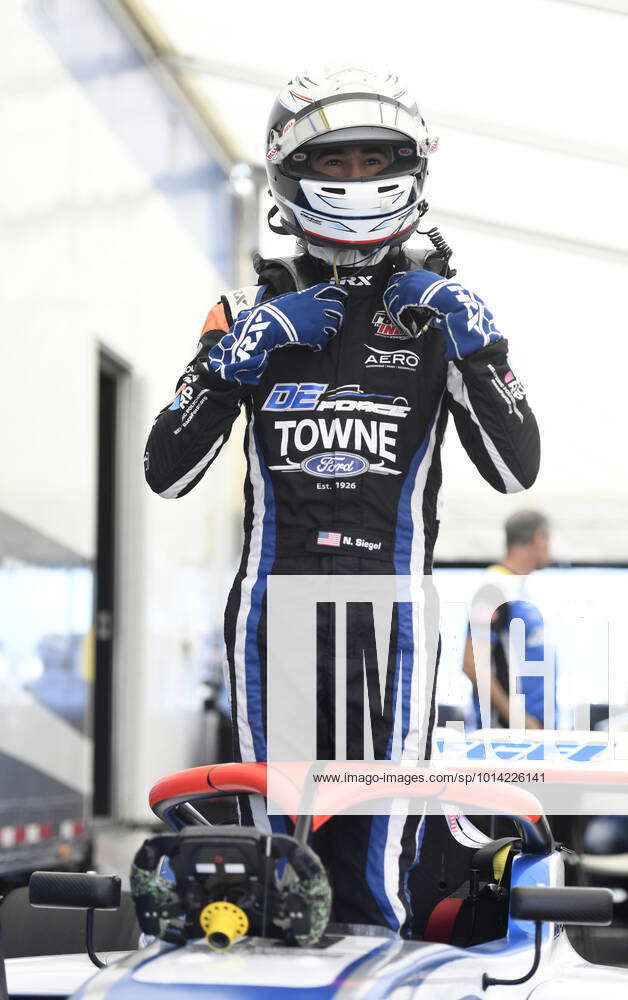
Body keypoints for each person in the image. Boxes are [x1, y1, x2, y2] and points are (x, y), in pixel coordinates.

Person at [143, 66, 540, 935]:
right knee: (281, 862)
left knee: (372, 862)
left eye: (376, 160)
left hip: (391, 609)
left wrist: (481, 348)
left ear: (410, 168)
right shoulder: (248, 308)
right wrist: (234, 359)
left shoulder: (443, 315)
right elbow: (165, 471)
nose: (357, 180)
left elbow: (516, 475)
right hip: (272, 603)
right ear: (293, 170)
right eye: (338, 161)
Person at [462, 510, 552, 730]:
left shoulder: (518, 588)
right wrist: (517, 719)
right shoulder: (494, 587)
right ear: (539, 539)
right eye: (550, 541)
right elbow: (472, 662)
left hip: (532, 733)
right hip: (505, 737)